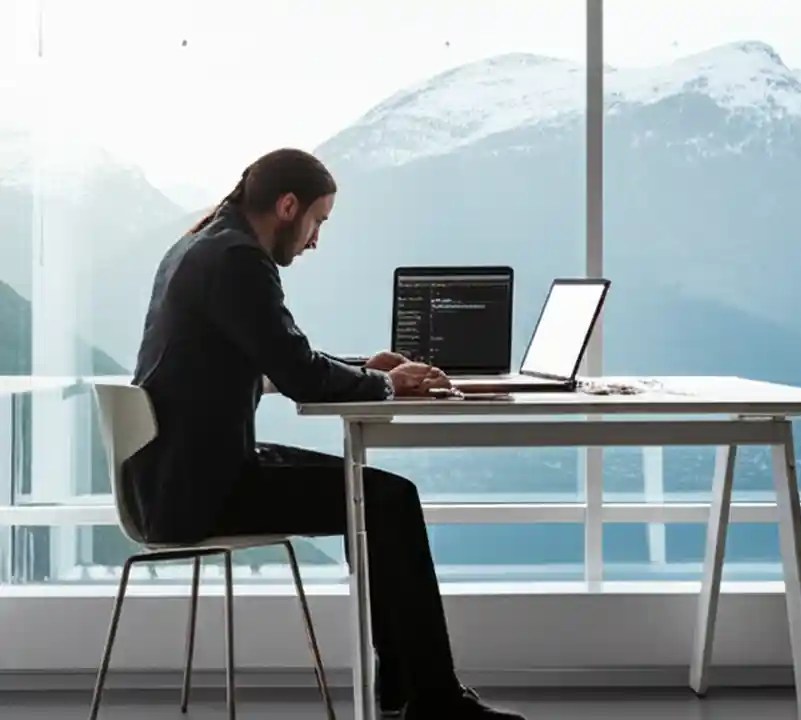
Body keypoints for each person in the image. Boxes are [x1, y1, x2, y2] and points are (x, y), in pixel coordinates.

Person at [124, 148, 525, 720]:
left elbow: (274, 357)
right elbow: (298, 373)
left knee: (381, 498)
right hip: (201, 491)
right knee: (389, 501)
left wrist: (371, 370)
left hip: (177, 476)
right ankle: (431, 700)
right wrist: (386, 385)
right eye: (318, 221)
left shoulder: (200, 245)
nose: (315, 240)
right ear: (288, 206)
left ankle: (407, 691)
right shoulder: (239, 259)